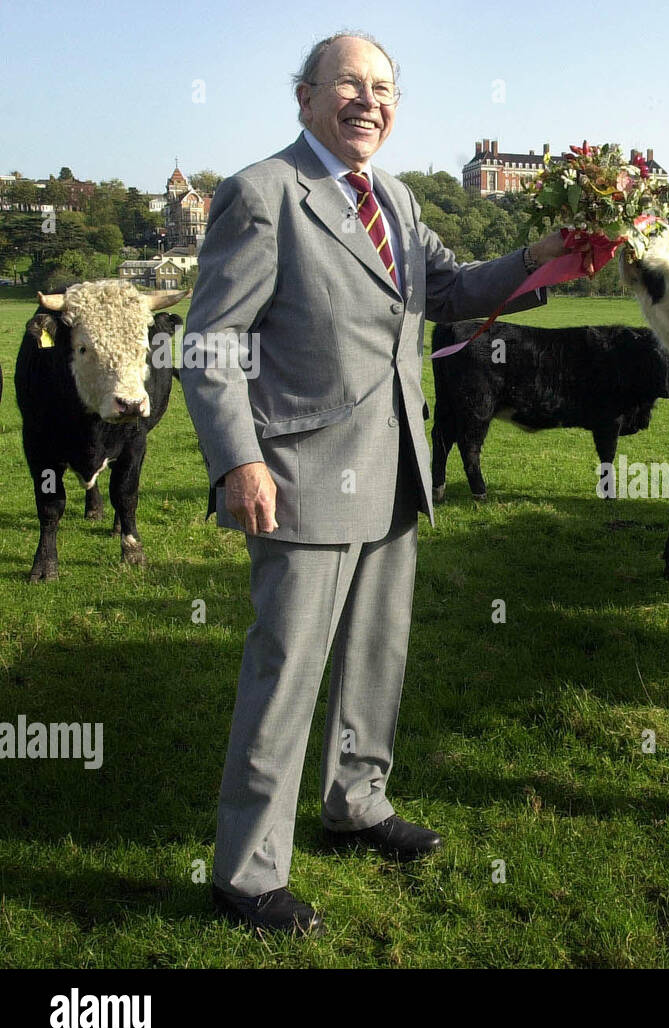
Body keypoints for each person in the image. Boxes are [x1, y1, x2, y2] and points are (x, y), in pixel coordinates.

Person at [179, 32, 584, 934]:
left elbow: (454, 288)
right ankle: (246, 875)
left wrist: (544, 254)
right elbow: (209, 345)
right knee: (285, 676)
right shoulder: (262, 193)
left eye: (385, 88)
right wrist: (237, 458)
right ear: (306, 96)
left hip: (396, 470)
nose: (369, 100)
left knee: (374, 662)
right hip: (298, 475)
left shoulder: (396, 199)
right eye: (350, 85)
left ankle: (356, 803)